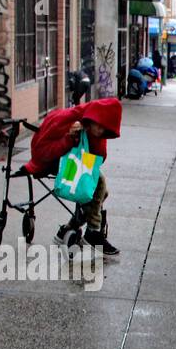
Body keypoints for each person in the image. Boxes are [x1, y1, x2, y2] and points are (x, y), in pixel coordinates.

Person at [24, 97, 123, 255]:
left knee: (101, 192)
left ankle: (67, 230)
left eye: (105, 130)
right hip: (52, 161)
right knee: (98, 184)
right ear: (93, 119)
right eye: (100, 127)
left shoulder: (96, 130)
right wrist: (69, 139)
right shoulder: (66, 119)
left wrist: (94, 139)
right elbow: (42, 151)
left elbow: (100, 158)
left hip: (75, 162)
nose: (101, 132)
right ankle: (93, 231)